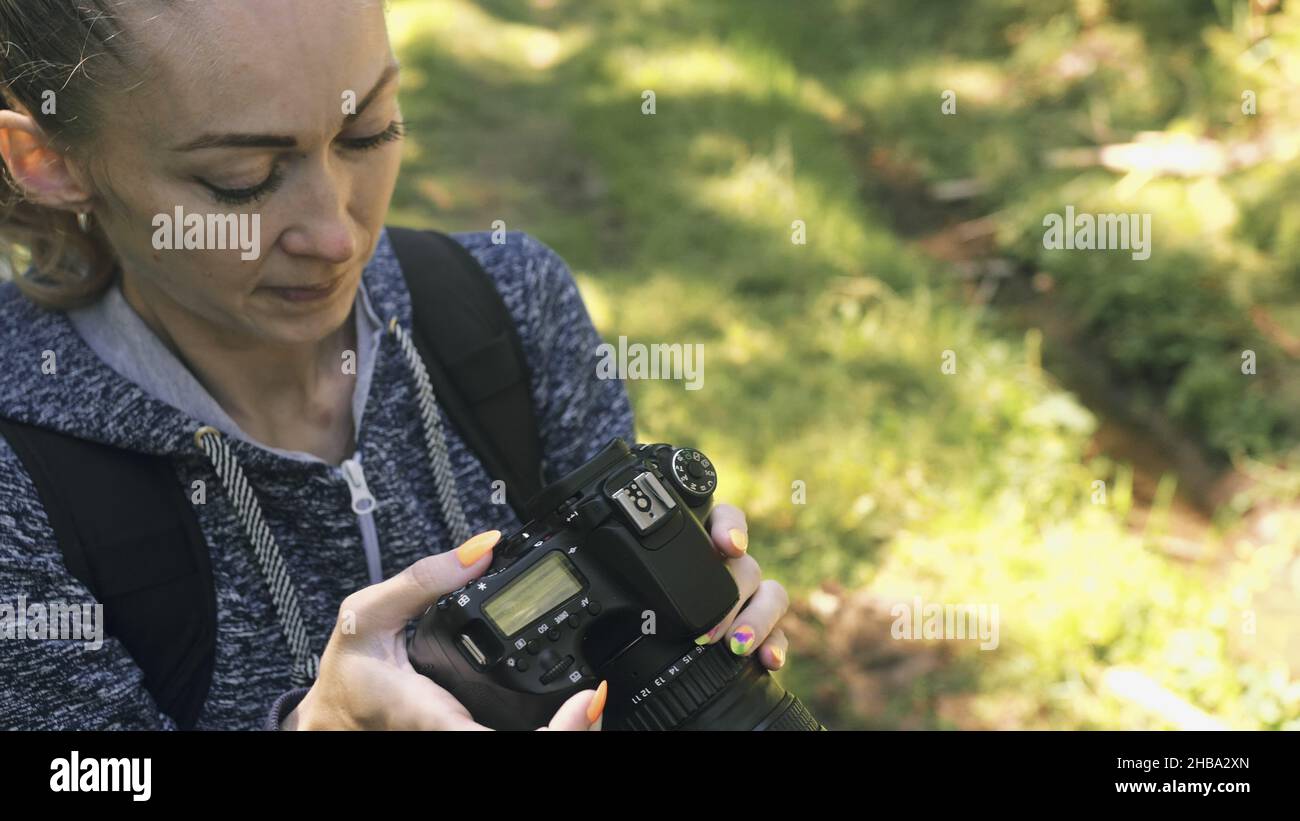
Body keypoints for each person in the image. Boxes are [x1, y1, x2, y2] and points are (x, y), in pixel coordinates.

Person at [0, 0, 790, 730]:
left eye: (367, 132)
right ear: (48, 160)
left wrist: (699, 656)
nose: (336, 236)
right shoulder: (18, 469)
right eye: (237, 181)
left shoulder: (507, 307)